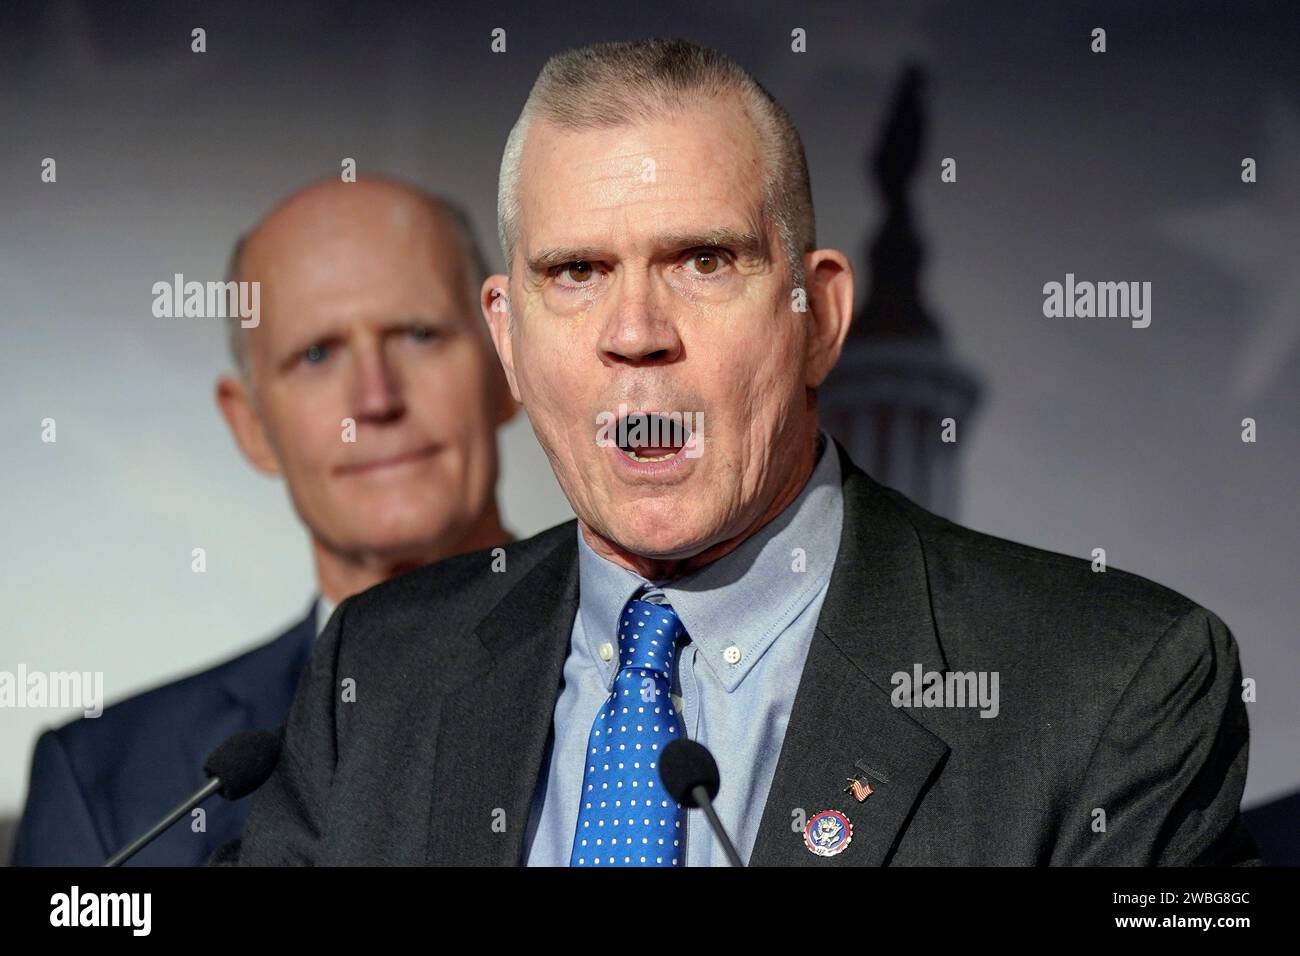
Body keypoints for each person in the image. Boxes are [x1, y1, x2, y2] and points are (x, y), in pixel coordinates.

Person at [230, 40, 1257, 866]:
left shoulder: (1109, 687)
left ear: (818, 317)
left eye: (704, 260)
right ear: (506, 335)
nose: (635, 330)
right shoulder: (377, 673)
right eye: (577, 271)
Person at [11, 176, 517, 866]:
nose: (374, 399)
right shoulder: (112, 785)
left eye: (419, 334)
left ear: (510, 363)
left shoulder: (663, 691)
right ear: (251, 425)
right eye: (316, 355)